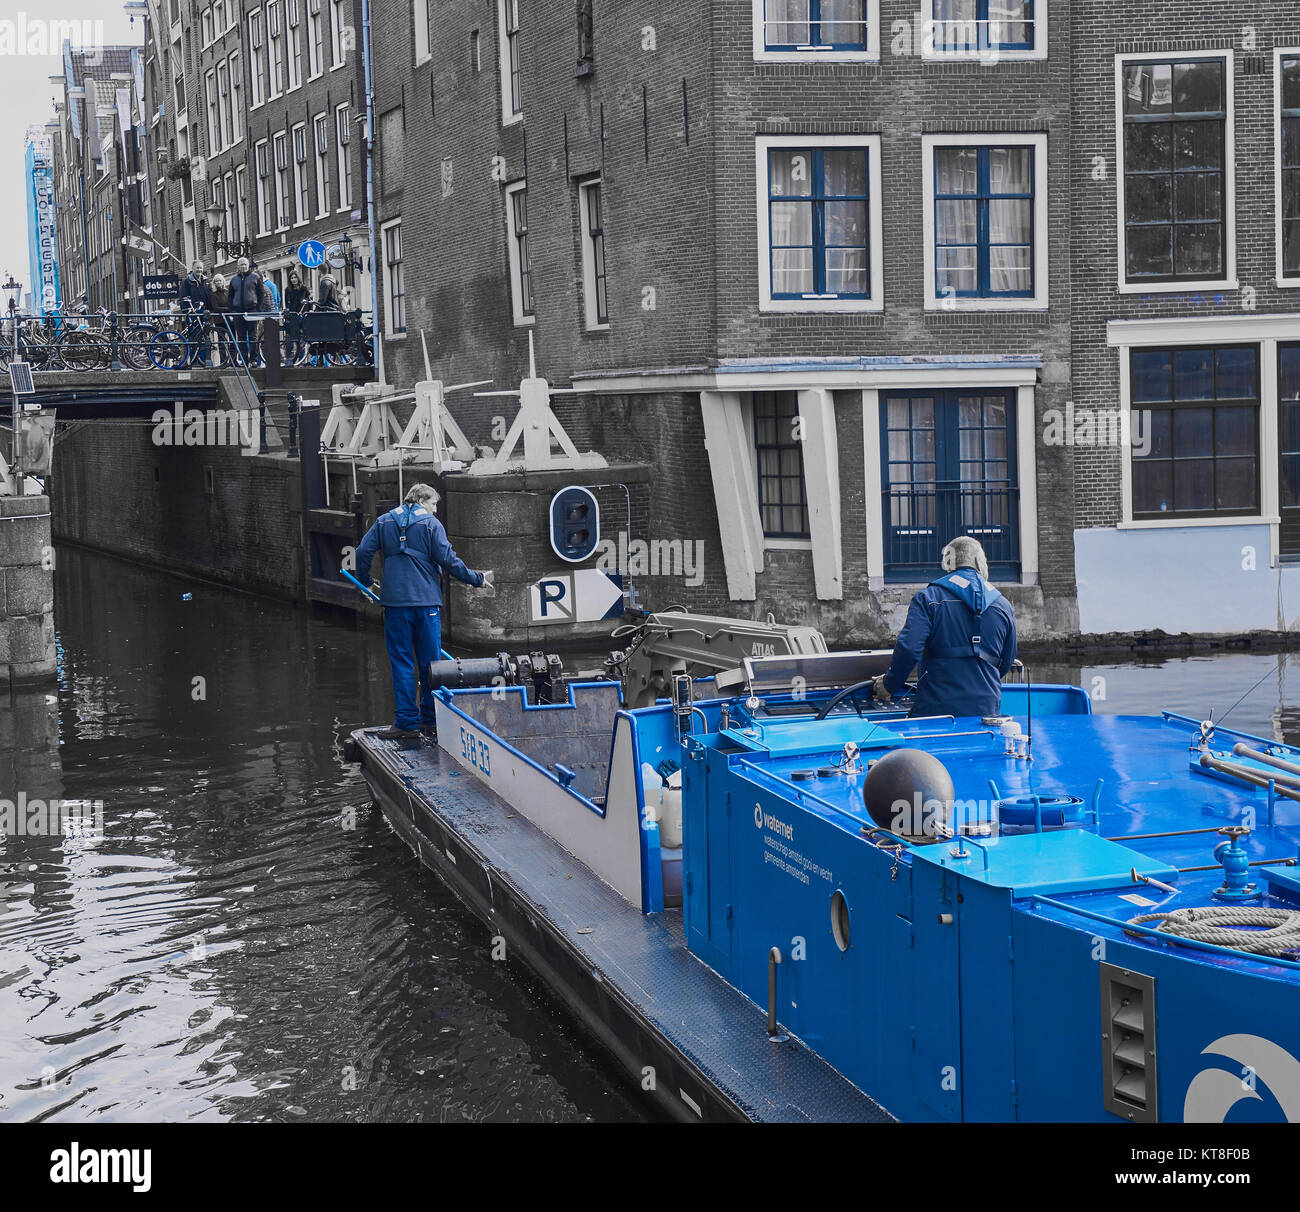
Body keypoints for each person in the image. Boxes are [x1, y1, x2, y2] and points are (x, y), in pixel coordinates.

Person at [354, 484, 494, 741]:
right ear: (420, 500)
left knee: (402, 662)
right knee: (432, 664)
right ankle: (431, 721)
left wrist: (364, 580)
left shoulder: (384, 521)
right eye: (433, 504)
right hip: (427, 604)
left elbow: (363, 551)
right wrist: (477, 579)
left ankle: (406, 723)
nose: (435, 509)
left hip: (395, 605)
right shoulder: (431, 525)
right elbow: (449, 561)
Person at [874, 536, 1018, 720]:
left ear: (948, 565)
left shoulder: (928, 598)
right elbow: (1007, 661)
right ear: (979, 562)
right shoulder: (1003, 605)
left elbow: (909, 649)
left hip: (935, 710)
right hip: (986, 711)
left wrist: (889, 684)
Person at [227, 257, 263, 365]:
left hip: (252, 311)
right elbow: (230, 296)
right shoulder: (234, 280)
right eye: (241, 265)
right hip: (238, 312)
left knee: (253, 336)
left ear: (248, 266)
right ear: (238, 266)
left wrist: (258, 309)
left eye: (245, 264)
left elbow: (261, 294)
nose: (243, 266)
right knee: (241, 337)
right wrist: (231, 311)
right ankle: (244, 359)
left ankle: (253, 359)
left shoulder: (255, 277)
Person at [178, 260, 212, 366]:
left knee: (204, 338)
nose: (199, 270)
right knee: (194, 338)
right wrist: (187, 312)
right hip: (193, 314)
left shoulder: (206, 281)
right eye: (197, 268)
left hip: (204, 314)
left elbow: (209, 297)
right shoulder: (187, 282)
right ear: (192, 268)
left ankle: (203, 361)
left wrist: (210, 311)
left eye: (201, 268)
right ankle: (194, 361)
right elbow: (183, 298)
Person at [284, 271, 310, 365]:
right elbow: (287, 304)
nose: (293, 280)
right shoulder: (287, 290)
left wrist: (305, 311)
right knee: (290, 339)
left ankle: (301, 360)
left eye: (295, 277)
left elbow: (308, 303)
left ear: (298, 278)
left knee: (301, 340)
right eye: (291, 278)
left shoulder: (304, 289)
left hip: (301, 316)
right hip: (292, 317)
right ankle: (290, 360)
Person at [209, 273, 230, 365]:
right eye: (216, 281)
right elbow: (216, 307)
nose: (218, 282)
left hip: (229, 319)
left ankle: (233, 361)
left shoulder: (227, 292)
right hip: (219, 320)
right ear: (214, 283)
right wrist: (229, 309)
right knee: (221, 341)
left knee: (232, 340)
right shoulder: (213, 295)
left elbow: (232, 303)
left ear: (223, 282)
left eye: (220, 280)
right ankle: (223, 361)